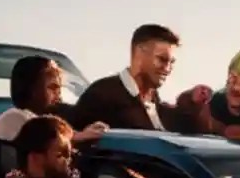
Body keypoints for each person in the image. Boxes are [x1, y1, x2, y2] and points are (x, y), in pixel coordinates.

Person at [71, 23, 210, 133]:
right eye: (162, 59)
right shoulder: (101, 95)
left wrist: (193, 102)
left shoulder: (157, 106)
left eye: (171, 62)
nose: (167, 69)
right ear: (139, 53)